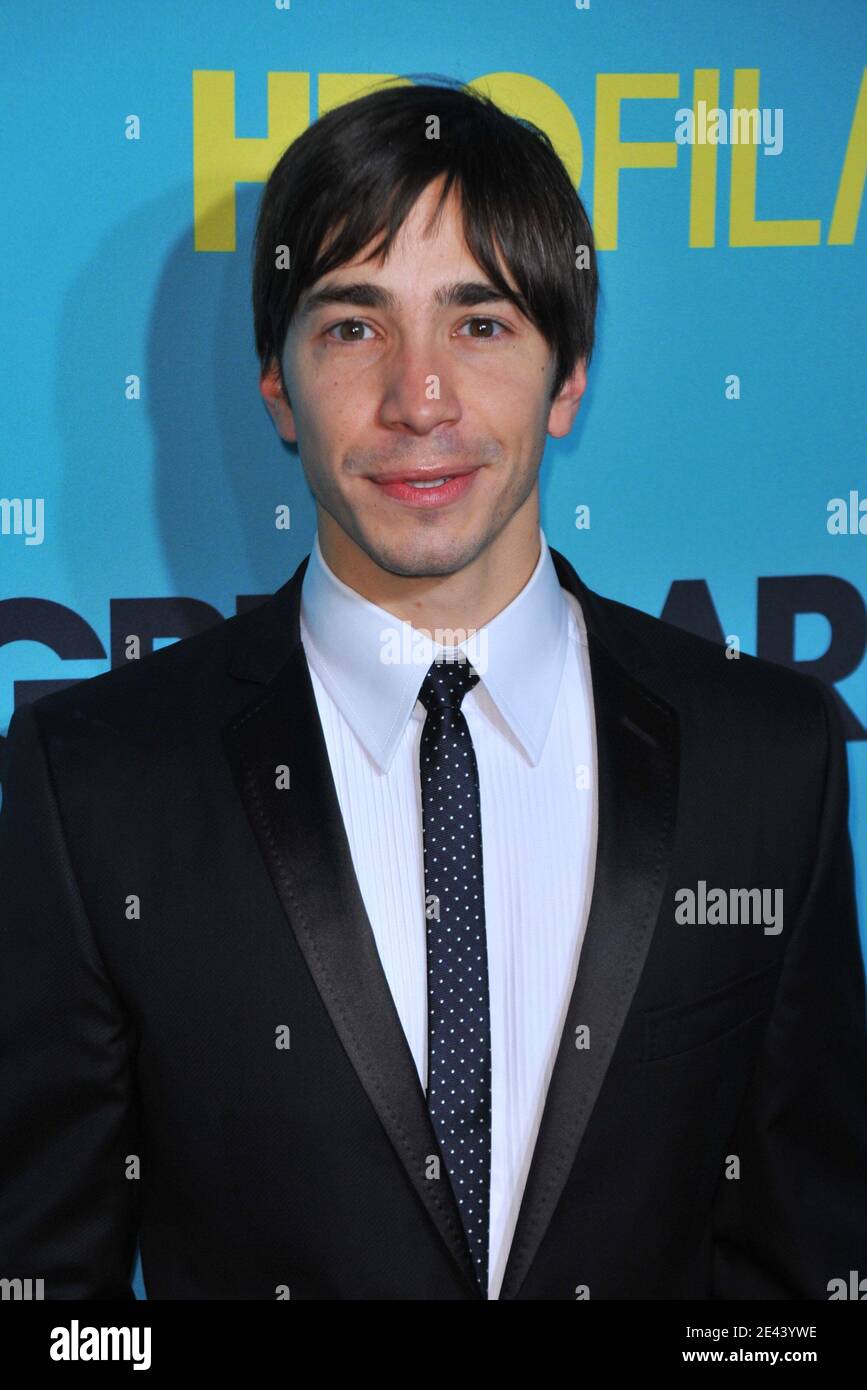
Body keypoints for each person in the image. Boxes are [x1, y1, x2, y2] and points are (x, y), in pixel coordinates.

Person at [1, 79, 865, 1301]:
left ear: (567, 379)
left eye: (482, 323)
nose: (420, 401)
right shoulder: (96, 778)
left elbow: (805, 1274)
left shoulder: (766, 753)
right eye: (354, 326)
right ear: (275, 387)